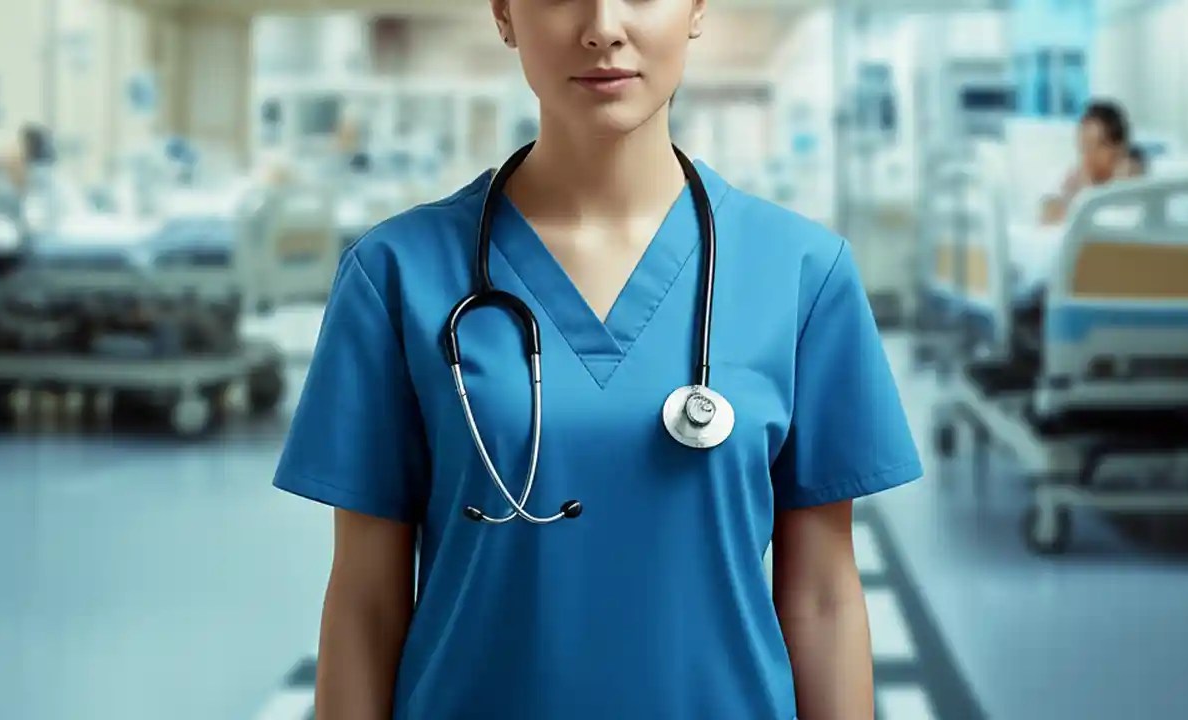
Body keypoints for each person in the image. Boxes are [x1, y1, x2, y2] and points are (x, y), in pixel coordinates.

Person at [272, 1, 922, 718]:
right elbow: (365, 602)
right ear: (504, 14)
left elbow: (824, 598)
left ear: (697, 9)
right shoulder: (395, 274)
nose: (603, 26)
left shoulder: (802, 273)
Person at [1040, 99, 1143, 225]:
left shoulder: (1130, 176)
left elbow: (1110, 224)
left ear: (1119, 148)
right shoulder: (1077, 175)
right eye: (1084, 146)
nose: (1088, 156)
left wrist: (1085, 190)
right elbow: (1046, 217)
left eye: (1096, 146)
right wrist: (1066, 196)